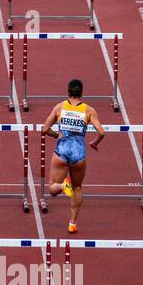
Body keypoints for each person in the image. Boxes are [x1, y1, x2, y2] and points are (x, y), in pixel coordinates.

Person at [42, 80, 106, 235]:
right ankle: (72, 223)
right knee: (77, 188)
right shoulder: (89, 110)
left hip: (62, 151)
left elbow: (44, 129)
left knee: (52, 188)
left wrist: (57, 134)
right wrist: (95, 142)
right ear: (82, 93)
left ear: (68, 92)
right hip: (78, 154)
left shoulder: (60, 107)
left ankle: (63, 187)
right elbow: (102, 132)